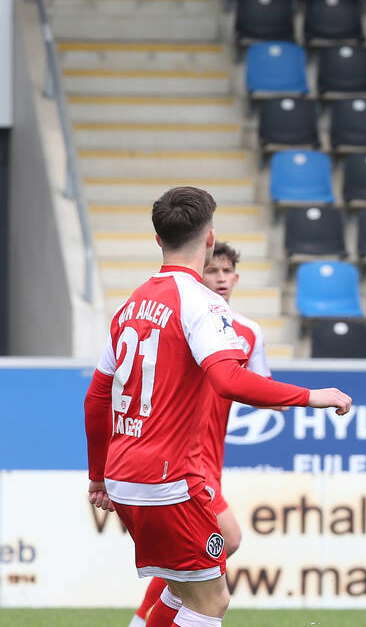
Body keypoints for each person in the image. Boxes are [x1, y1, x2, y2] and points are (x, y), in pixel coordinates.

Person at [85, 186, 352, 627]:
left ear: (158, 240)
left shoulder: (131, 305)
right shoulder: (201, 304)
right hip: (168, 477)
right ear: (209, 237)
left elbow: (96, 398)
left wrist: (97, 475)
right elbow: (228, 380)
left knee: (184, 586)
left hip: (124, 472)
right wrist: (311, 397)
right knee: (212, 602)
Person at [127, 242, 271, 627]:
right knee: (226, 543)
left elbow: (256, 387)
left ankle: (149, 619)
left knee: (191, 562)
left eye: (227, 272)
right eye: (213, 271)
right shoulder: (190, 317)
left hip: (210, 456)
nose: (220, 279)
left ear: (237, 278)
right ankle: (143, 618)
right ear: (199, 274)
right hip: (185, 457)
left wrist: (286, 400)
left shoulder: (249, 332)